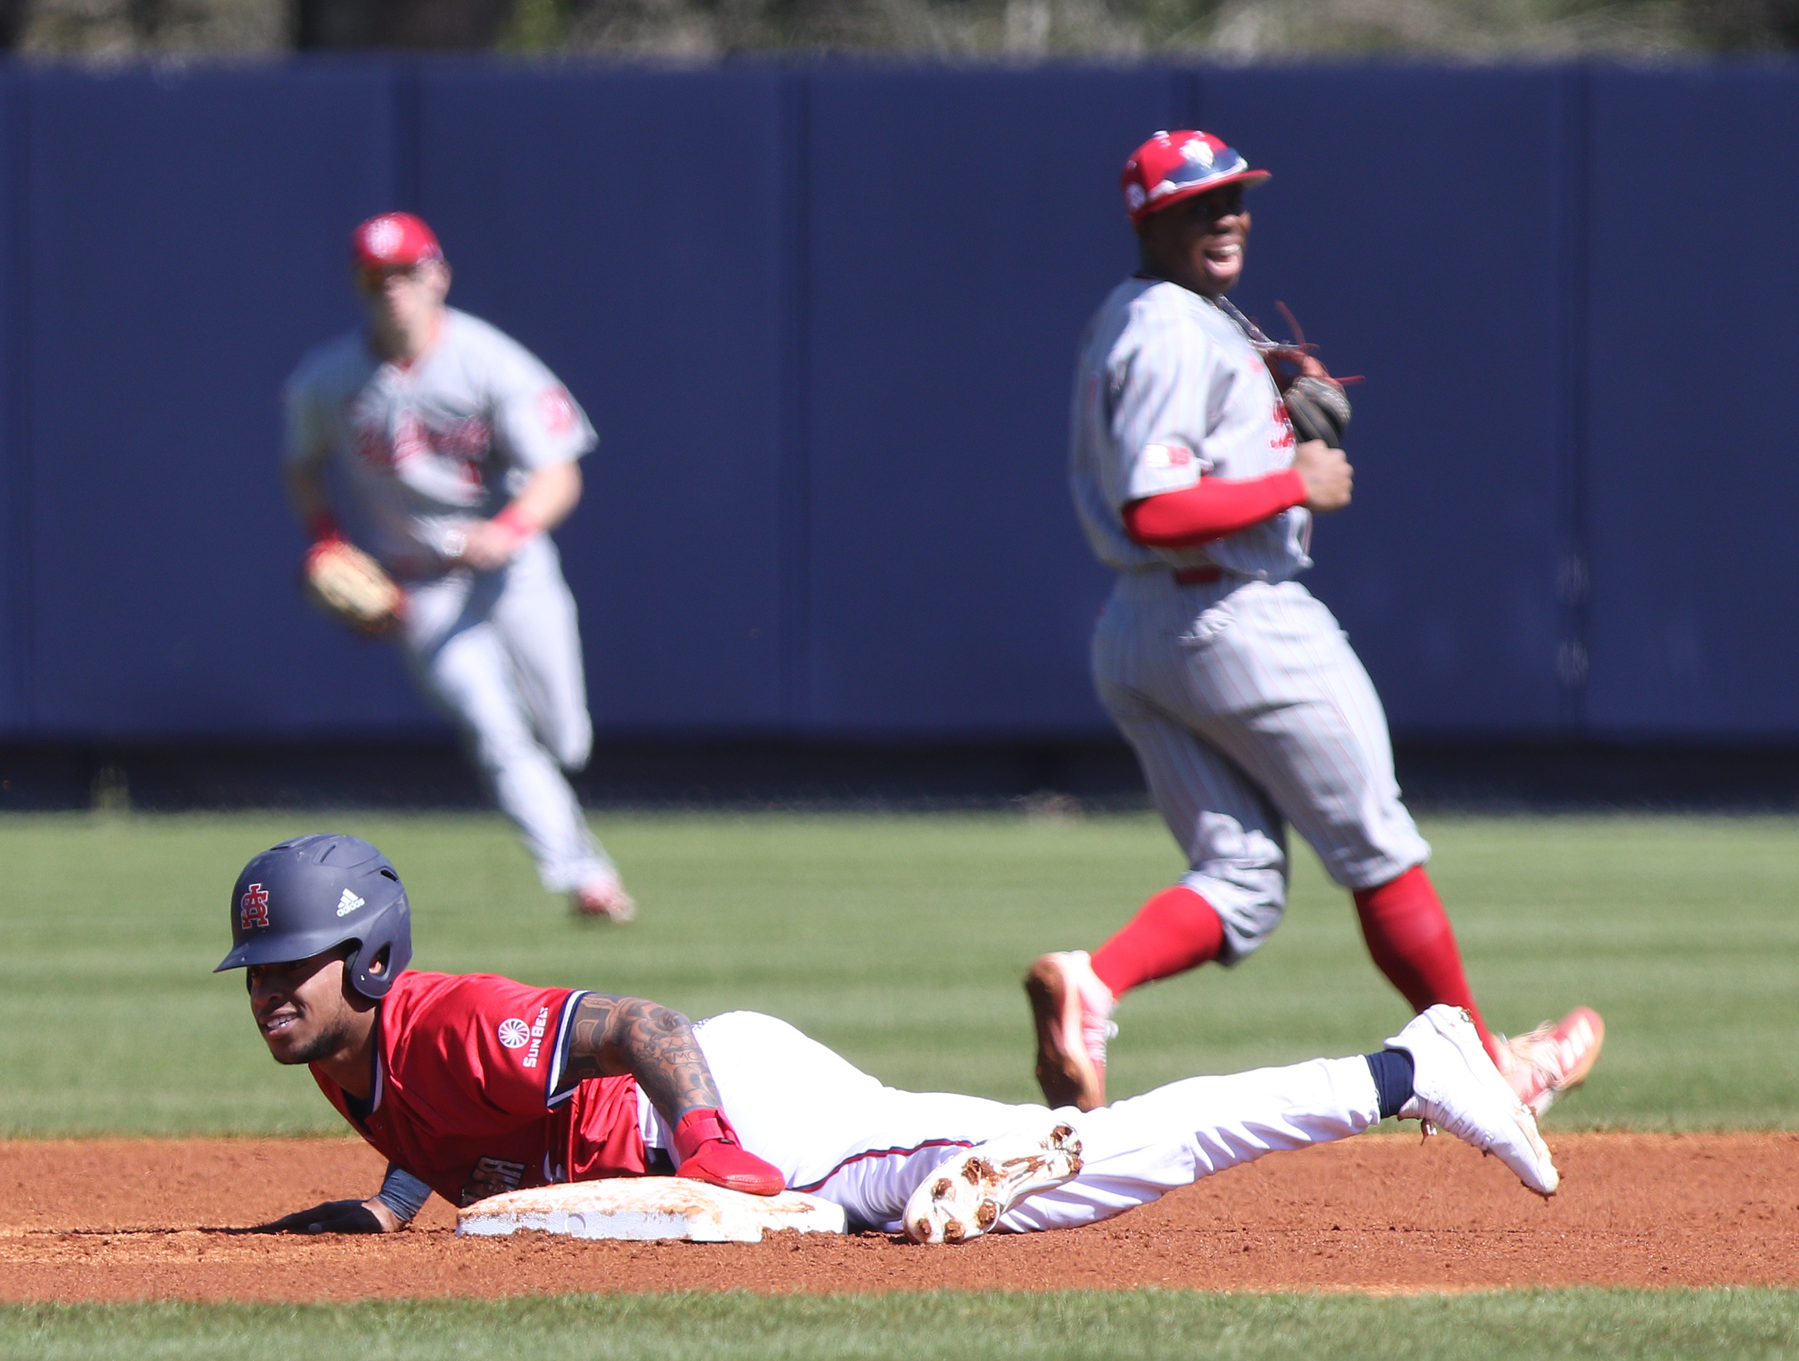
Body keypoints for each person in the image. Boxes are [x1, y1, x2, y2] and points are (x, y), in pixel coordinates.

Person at [1035, 129, 1603, 1116]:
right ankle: (1490, 1070)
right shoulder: (1169, 329)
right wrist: (1287, 480)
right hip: (1235, 616)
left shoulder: (1141, 317)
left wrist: (1255, 432)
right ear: (1148, 222)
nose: (1224, 218)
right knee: (1379, 850)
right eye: (1195, 206)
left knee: (1241, 879)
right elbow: (1153, 508)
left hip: (1140, 631)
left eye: (1233, 199)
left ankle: (1093, 986)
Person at [225, 834, 1558, 1245]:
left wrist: (717, 1145)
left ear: (371, 960)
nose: (268, 989)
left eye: (291, 965)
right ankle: (959, 1166)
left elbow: (642, 1024)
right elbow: (441, 1120)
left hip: (746, 1116)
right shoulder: (354, 1061)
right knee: (995, 1176)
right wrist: (390, 1204)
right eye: (258, 969)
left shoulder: (447, 1019)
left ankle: (1408, 1068)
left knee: (1078, 1162)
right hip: (718, 1131)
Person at [282, 212, 634, 924]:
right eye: (376, 276)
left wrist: (508, 531)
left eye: (405, 272)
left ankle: (574, 822)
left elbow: (560, 472)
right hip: (419, 584)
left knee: (565, 736)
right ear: (358, 285)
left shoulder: (490, 362)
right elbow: (302, 467)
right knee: (494, 731)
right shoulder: (327, 379)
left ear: (437, 275)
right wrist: (325, 540)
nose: (392, 288)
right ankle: (585, 878)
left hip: (511, 568)